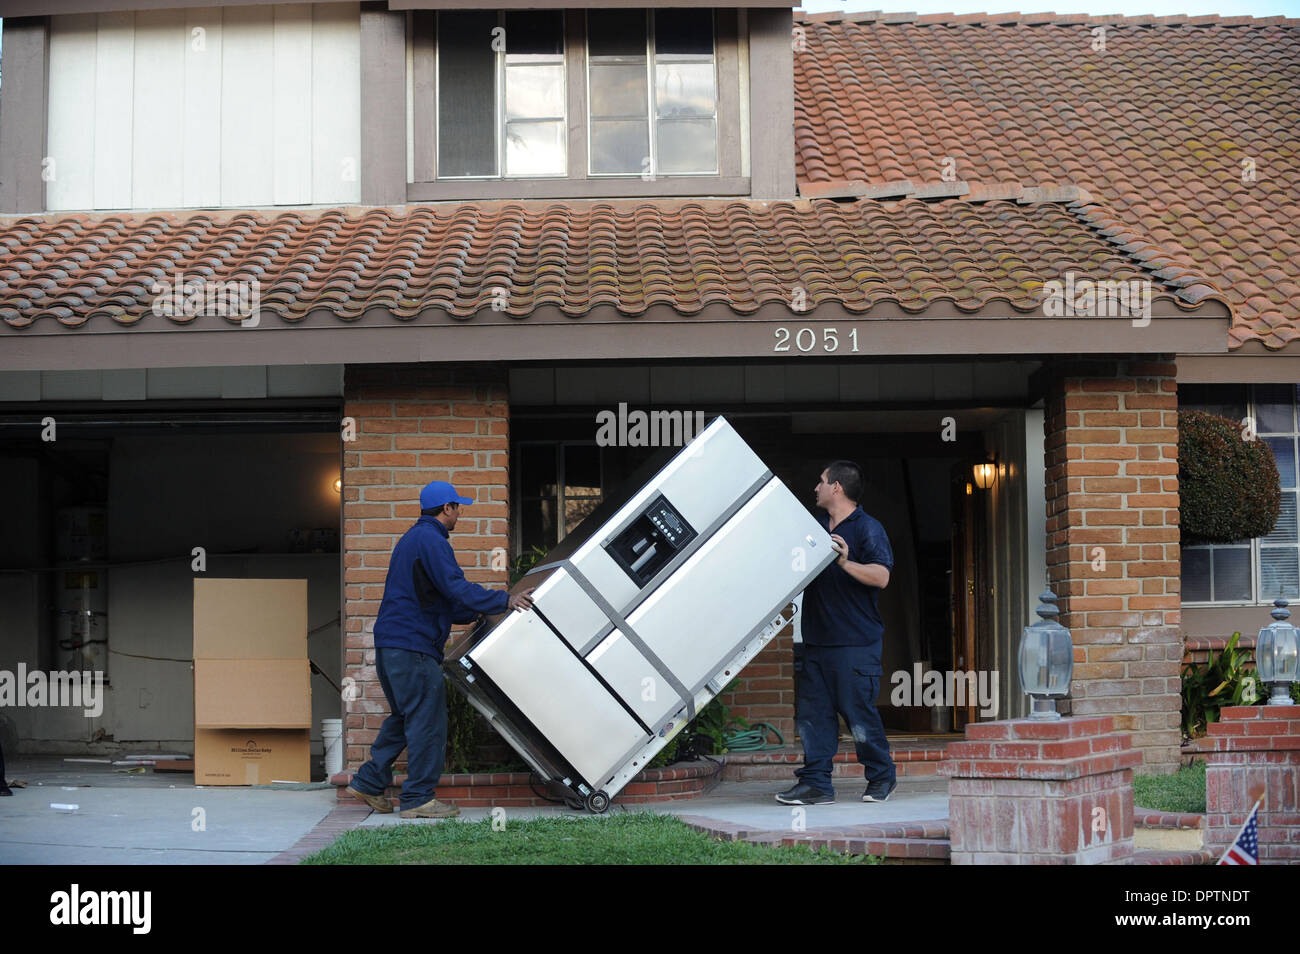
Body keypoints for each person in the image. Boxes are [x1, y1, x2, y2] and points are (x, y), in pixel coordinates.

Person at [349, 480, 533, 819]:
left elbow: (442, 600)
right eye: (457, 507)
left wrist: (479, 611)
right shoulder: (432, 540)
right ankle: (418, 798)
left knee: (405, 716)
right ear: (445, 509)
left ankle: (369, 781)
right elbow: (455, 587)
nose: (460, 513)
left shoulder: (412, 540)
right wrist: (504, 600)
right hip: (413, 648)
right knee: (427, 722)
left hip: (393, 646)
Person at [776, 460, 897, 806]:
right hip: (815, 641)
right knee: (813, 718)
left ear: (837, 488)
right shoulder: (814, 527)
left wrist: (844, 562)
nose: (816, 487)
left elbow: (881, 576)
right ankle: (815, 784)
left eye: (821, 481)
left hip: (855, 643)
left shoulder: (868, 528)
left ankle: (881, 778)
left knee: (858, 714)